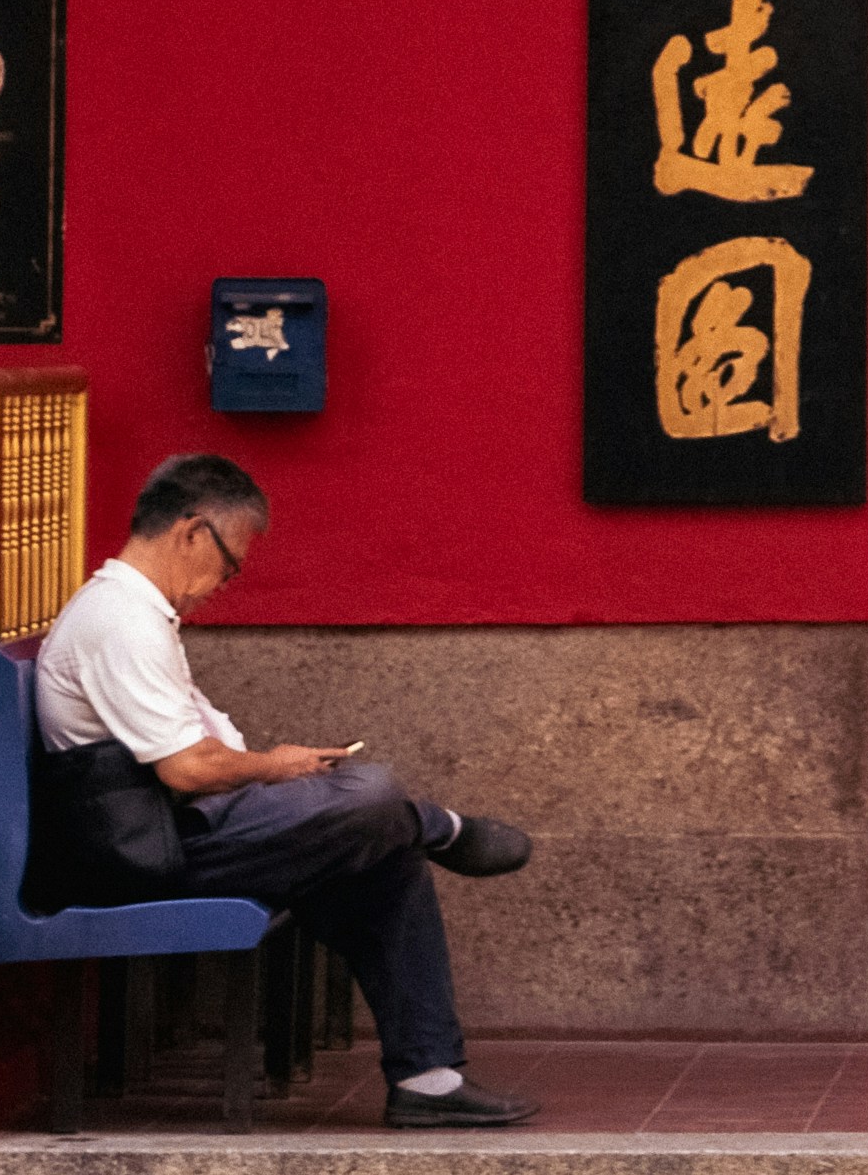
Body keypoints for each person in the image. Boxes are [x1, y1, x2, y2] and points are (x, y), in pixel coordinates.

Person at [31, 453, 543, 1131]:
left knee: (382, 848)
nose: (224, 583)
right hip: (149, 852)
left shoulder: (136, 614)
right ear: (190, 532)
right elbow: (186, 769)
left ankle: (428, 1077)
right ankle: (431, 822)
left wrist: (283, 772)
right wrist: (275, 767)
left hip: (182, 829)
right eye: (230, 563)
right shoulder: (118, 622)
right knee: (374, 795)